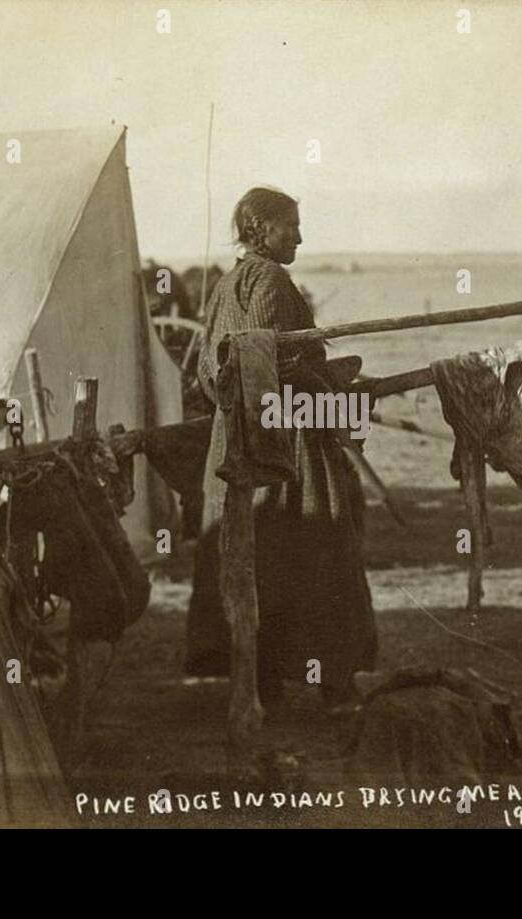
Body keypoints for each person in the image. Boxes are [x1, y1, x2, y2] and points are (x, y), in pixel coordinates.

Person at [186, 186, 377, 708]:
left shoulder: (228, 284)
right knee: (322, 549)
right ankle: (333, 683)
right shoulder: (270, 279)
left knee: (260, 558)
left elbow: (212, 370)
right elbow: (264, 361)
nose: (300, 235)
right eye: (289, 225)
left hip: (240, 441)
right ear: (259, 230)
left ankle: (262, 683)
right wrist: (324, 384)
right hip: (285, 444)